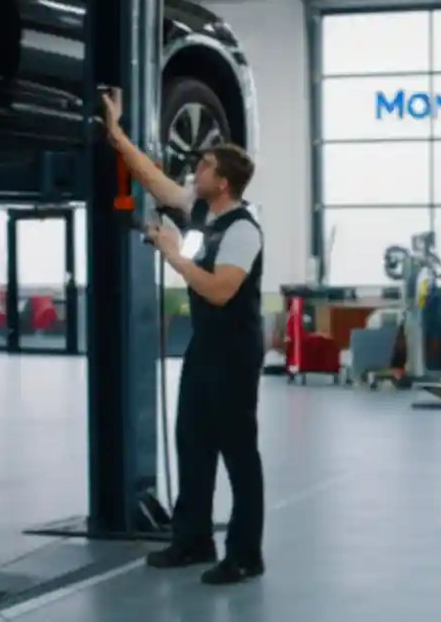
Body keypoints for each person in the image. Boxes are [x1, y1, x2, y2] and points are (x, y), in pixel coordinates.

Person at [100, 89, 266, 586]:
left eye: (206, 166)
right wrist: (116, 133)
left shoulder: (243, 229)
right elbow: (153, 179)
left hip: (235, 352)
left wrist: (173, 254)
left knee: (238, 453)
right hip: (205, 347)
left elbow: (219, 290)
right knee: (192, 442)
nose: (197, 171)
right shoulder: (201, 209)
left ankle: (245, 555)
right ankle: (193, 540)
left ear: (224, 182)